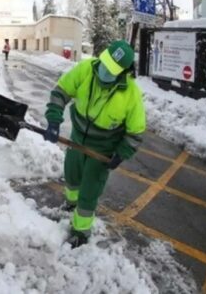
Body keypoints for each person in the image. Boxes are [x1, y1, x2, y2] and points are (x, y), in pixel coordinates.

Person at [43, 40, 146, 248]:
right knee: (71, 174)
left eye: (112, 69)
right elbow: (61, 91)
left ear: (124, 72)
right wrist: (54, 120)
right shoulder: (85, 70)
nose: (105, 70)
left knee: (90, 189)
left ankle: (81, 231)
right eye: (105, 63)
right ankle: (70, 204)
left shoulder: (131, 94)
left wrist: (121, 153)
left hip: (103, 147)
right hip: (78, 137)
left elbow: (135, 131)